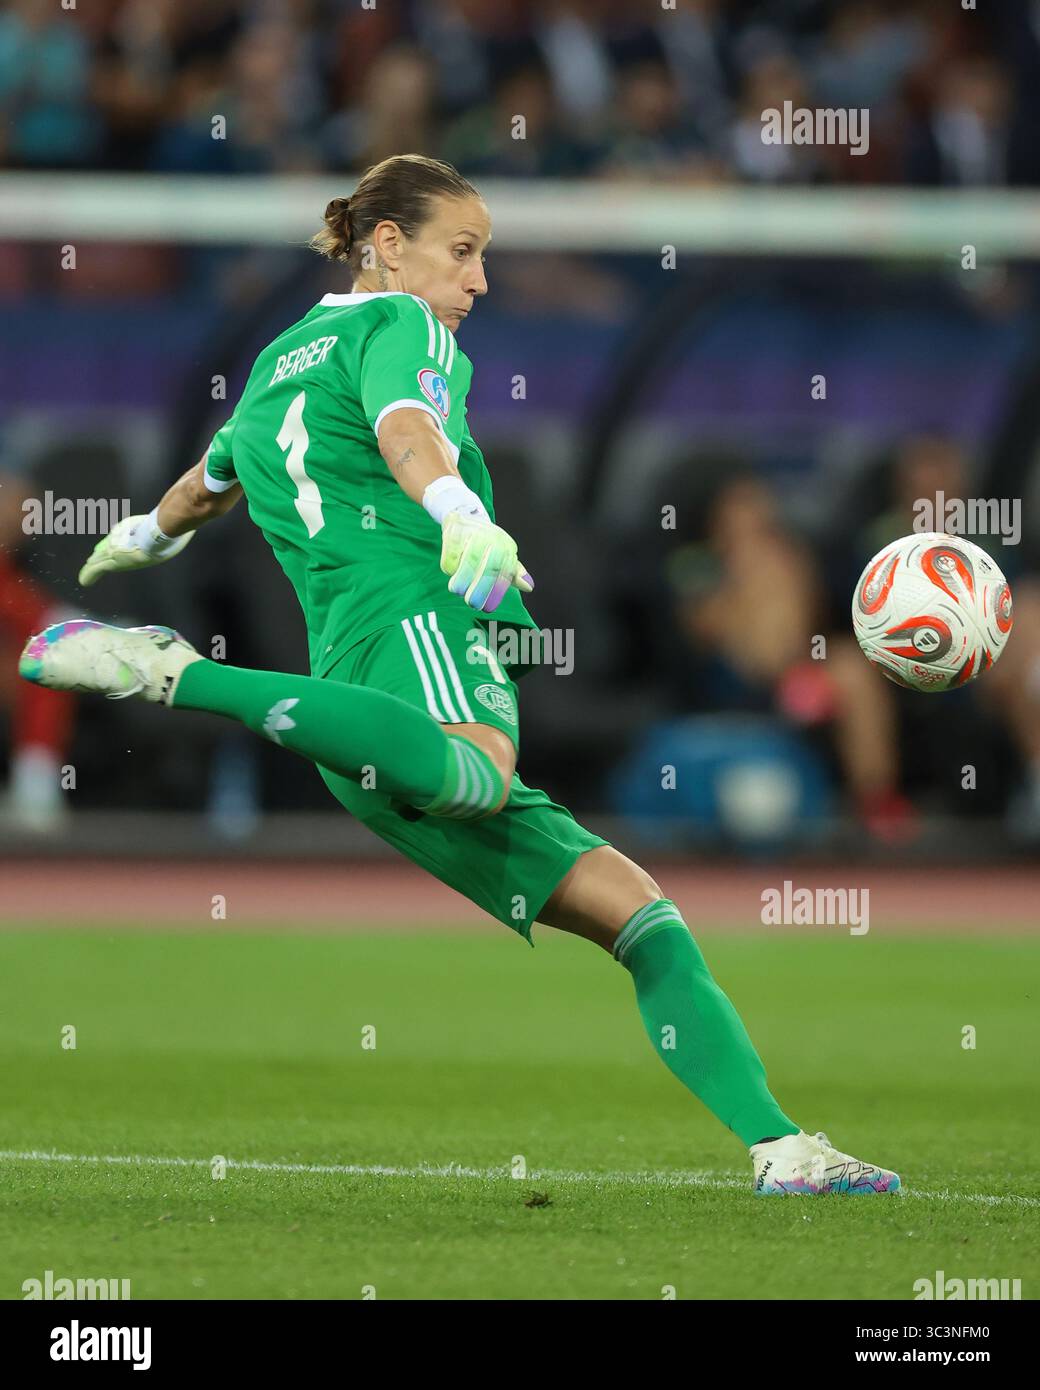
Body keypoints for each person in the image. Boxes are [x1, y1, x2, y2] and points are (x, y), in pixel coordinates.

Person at [19, 153, 898, 1196]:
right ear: (387, 247)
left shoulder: (274, 360)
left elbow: (208, 483)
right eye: (464, 252)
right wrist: (456, 510)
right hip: (411, 632)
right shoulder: (402, 325)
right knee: (477, 769)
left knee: (643, 919)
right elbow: (408, 427)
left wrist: (141, 536)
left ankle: (779, 1148)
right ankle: (177, 676)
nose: (477, 282)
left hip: (346, 711)